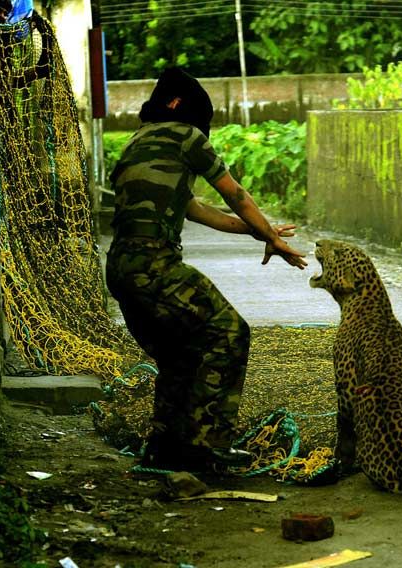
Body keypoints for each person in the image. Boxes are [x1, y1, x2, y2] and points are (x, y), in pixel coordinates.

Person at [106, 68, 307, 472]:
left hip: (121, 270)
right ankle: (208, 446)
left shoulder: (136, 144)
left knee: (178, 354)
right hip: (154, 265)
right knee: (230, 332)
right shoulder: (185, 136)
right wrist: (269, 235)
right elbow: (233, 193)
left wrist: (261, 231)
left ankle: (165, 448)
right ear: (182, 108)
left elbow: (203, 212)